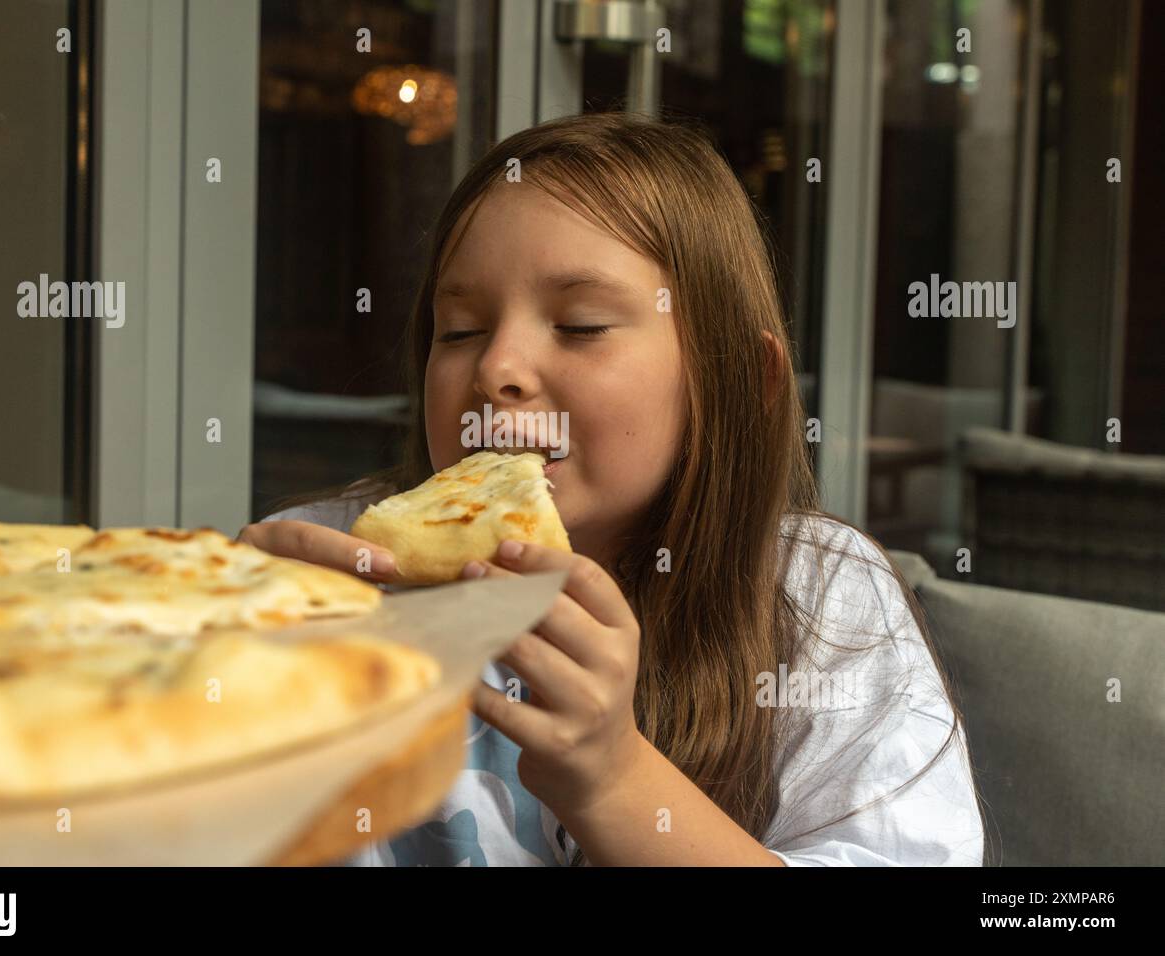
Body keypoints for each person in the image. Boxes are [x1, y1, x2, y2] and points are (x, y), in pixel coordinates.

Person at [239, 111, 985, 867]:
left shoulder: (820, 598)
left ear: (739, 382)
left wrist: (614, 778)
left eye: (582, 324)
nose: (498, 364)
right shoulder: (324, 572)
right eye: (459, 329)